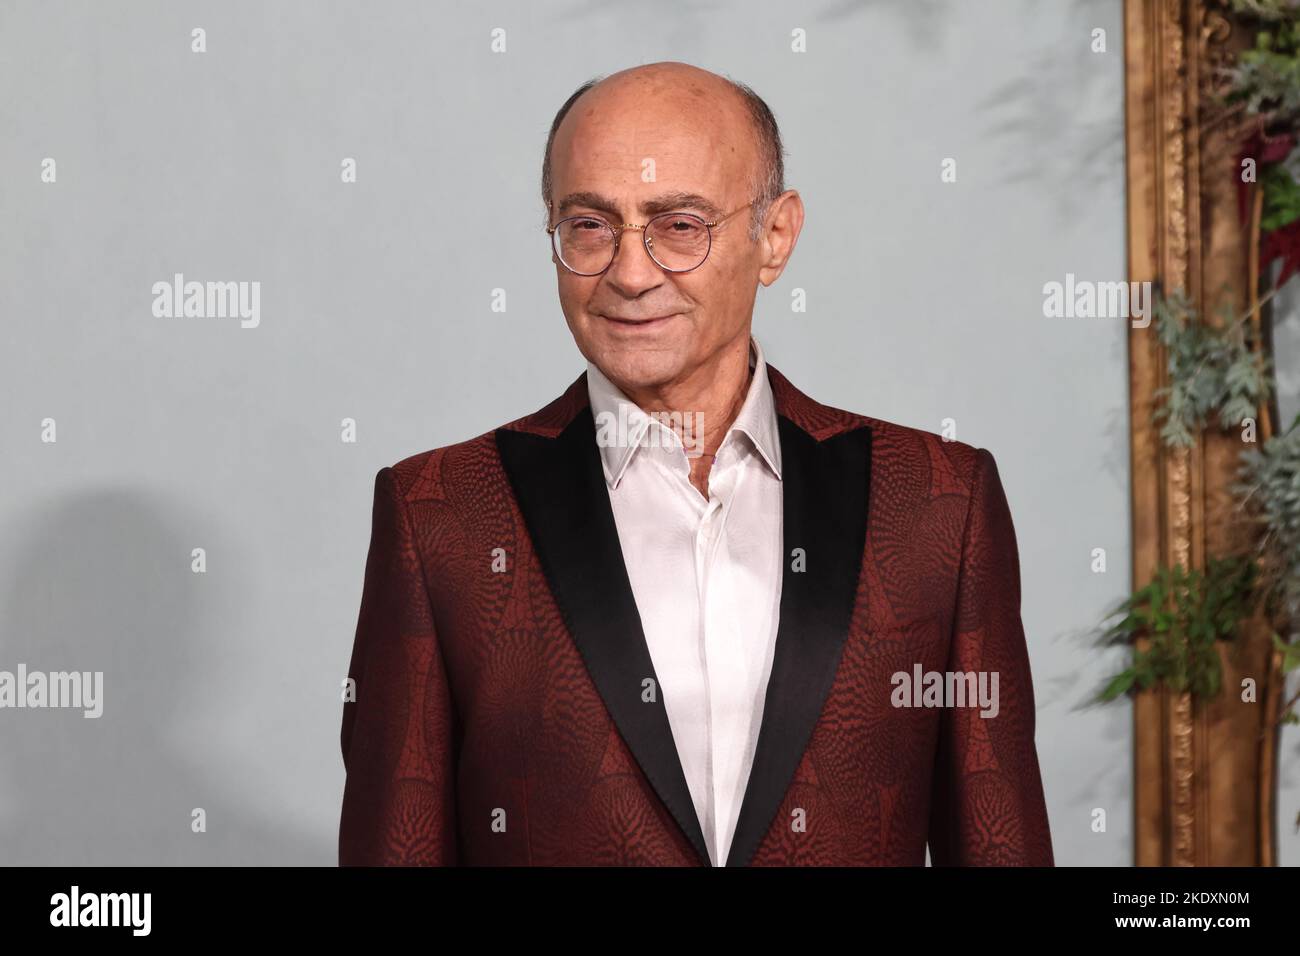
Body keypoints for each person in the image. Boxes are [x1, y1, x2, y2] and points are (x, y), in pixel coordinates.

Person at [338, 61, 1053, 867]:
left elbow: (999, 845)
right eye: (589, 226)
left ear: (775, 237)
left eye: (680, 225)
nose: (631, 273)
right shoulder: (441, 515)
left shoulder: (937, 504)